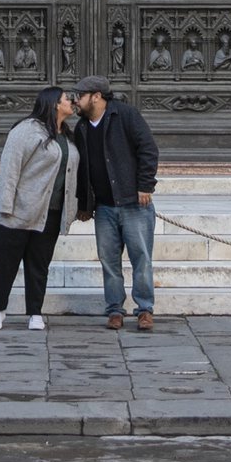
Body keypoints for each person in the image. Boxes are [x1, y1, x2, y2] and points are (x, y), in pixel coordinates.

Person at [0, 87, 83, 334]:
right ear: (53, 104)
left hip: (50, 212)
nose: (71, 102)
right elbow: (9, 168)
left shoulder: (67, 135)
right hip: (17, 210)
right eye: (66, 99)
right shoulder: (27, 130)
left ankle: (35, 313)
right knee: (6, 263)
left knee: (39, 264)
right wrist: (5, 207)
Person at [73, 77, 159, 330]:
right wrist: (85, 204)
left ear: (96, 96)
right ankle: (115, 310)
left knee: (141, 258)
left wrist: (145, 185)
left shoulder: (125, 115)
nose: (75, 100)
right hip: (105, 208)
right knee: (108, 260)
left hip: (134, 203)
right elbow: (83, 169)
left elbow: (148, 148)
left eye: (79, 95)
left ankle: (144, 310)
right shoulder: (82, 127)